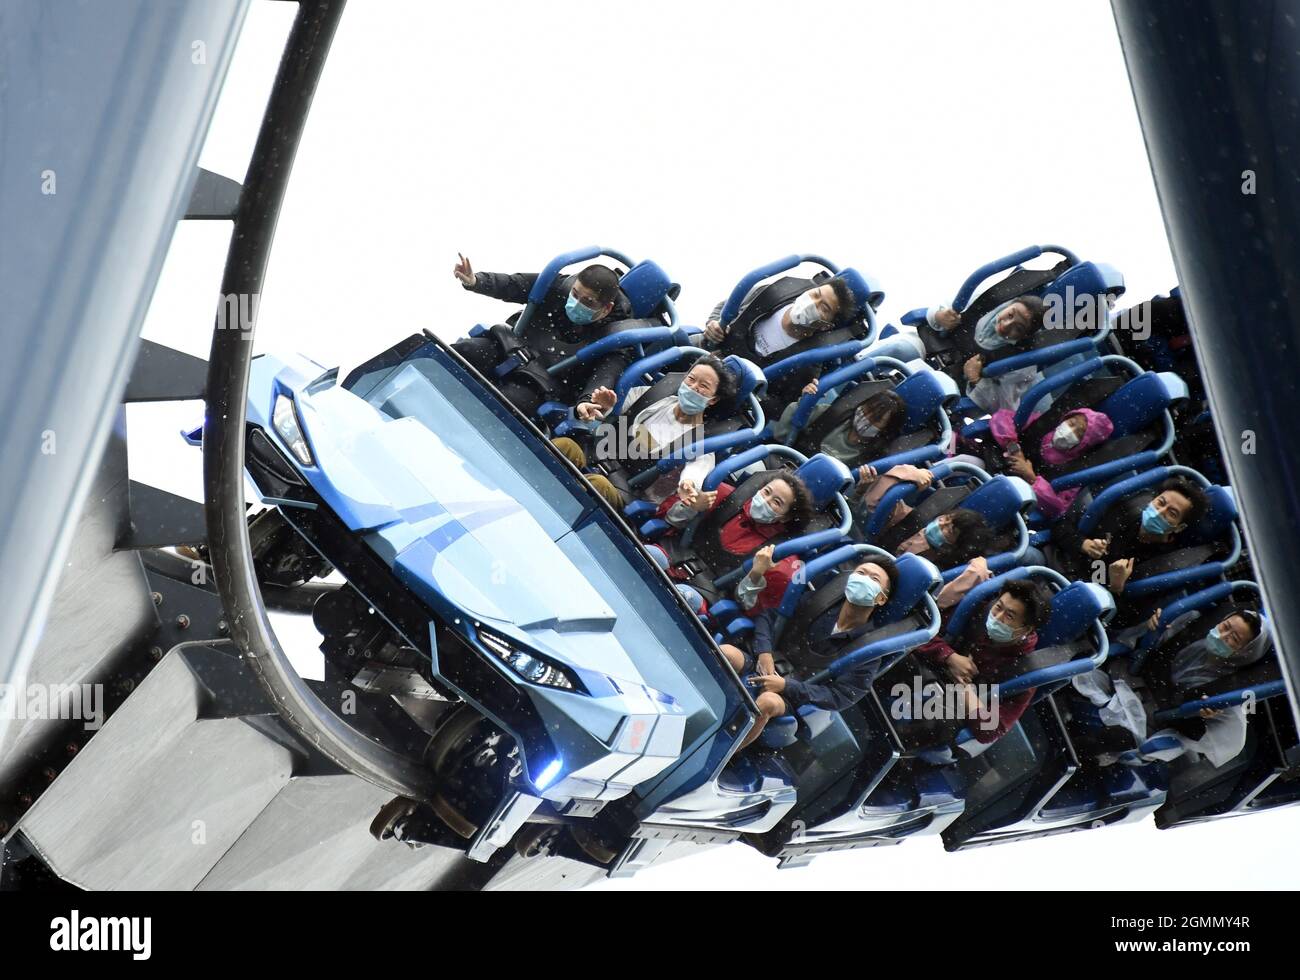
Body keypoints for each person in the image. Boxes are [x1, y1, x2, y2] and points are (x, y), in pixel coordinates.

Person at [719, 559, 898, 748]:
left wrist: (787, 685)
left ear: (881, 598)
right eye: (861, 573)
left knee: (766, 702)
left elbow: (840, 696)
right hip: (762, 662)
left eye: (873, 579)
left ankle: (722, 752)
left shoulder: (869, 650)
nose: (864, 580)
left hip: (791, 695)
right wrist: (764, 652)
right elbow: (769, 617)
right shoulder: (820, 601)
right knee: (725, 653)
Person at [1071, 608, 1267, 768]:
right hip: (1126, 682)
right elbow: (1141, 645)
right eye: (1225, 626)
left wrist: (1202, 717)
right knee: (1081, 663)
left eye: (1234, 639)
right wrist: (1150, 625)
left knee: (1115, 738)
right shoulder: (1190, 623)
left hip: (1149, 723)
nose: (1223, 636)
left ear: (1244, 652)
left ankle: (1068, 754)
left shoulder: (1228, 693)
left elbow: (1196, 735)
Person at [450, 254, 637, 415]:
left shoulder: (617, 338)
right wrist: (476, 281)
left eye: (587, 302)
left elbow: (606, 374)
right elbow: (515, 285)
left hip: (540, 384)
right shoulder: (559, 286)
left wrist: (588, 400)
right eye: (575, 294)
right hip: (507, 348)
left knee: (507, 403)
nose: (576, 303)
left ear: (606, 309)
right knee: (466, 351)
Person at [550, 354, 739, 509]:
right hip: (597, 454)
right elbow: (611, 410)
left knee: (596, 485)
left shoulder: (702, 443)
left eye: (703, 386)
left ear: (713, 400)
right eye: (691, 379)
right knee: (564, 446)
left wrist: (689, 486)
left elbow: (694, 474)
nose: (693, 387)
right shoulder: (654, 395)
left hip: (626, 489)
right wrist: (603, 407)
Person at [906, 578, 1053, 746]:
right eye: (998, 607)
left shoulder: (1025, 671)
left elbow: (990, 730)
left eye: (1009, 616)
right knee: (901, 661)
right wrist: (949, 656)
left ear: (1026, 629)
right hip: (932, 669)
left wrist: (965, 690)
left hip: (955, 703)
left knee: (937, 725)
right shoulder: (979, 609)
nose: (997, 617)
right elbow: (918, 632)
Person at [652, 471, 815, 611]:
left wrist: (756, 574)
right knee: (650, 555)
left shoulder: (780, 559)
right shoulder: (722, 495)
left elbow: (748, 607)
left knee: (679, 597)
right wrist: (691, 506)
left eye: (776, 502)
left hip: (707, 594)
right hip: (674, 555)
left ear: (786, 517)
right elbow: (667, 518)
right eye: (766, 492)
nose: (766, 500)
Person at [701, 273, 865, 407]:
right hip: (707, 352)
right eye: (815, 295)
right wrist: (714, 324)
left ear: (826, 326)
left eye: (823, 307)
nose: (812, 303)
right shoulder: (772, 293)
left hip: (727, 396)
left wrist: (799, 397)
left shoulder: (808, 362)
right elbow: (725, 306)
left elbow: (778, 406)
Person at [1044, 475, 1210, 602]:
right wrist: (1083, 543)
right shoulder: (1124, 509)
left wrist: (1116, 587)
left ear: (1179, 527)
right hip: (1057, 563)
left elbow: (1122, 618)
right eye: (1160, 503)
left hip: (1081, 598)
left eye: (1171, 513)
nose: (1159, 512)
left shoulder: (1165, 564)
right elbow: (1061, 524)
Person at [854, 464, 994, 569]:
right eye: (946, 518)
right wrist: (909, 474)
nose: (940, 524)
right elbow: (870, 507)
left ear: (955, 546)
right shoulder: (910, 518)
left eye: (950, 530)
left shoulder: (935, 568)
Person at [987, 407, 1116, 519]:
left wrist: (1032, 478)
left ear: (1084, 443)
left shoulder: (1074, 470)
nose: (1070, 431)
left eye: (1079, 433)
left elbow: (1057, 508)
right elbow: (1002, 417)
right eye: (1071, 423)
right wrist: (1013, 446)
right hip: (994, 466)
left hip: (1015, 495)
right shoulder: (1042, 424)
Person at [929, 294, 1047, 413]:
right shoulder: (988, 299)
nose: (1006, 325)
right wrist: (939, 315)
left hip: (952, 391)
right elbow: (943, 304)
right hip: (931, 347)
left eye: (1018, 328)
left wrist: (976, 380)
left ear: (1025, 335)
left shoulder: (1021, 362)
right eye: (1010, 315)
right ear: (1009, 305)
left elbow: (1004, 407)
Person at [772, 382, 907, 467]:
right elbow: (780, 435)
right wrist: (804, 403)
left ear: (885, 429)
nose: (866, 418)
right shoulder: (830, 415)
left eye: (876, 420)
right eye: (866, 410)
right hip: (784, 463)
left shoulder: (872, 459)